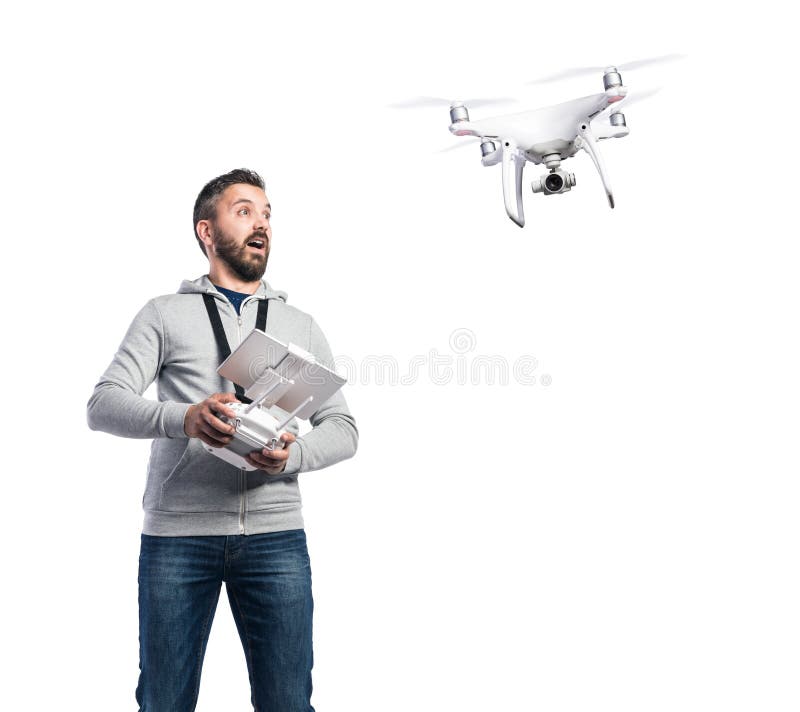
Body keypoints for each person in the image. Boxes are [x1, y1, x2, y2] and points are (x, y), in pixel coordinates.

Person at [86, 168, 358, 711]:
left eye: (266, 213)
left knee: (288, 704)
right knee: (163, 702)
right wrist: (183, 418)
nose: (261, 223)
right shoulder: (164, 314)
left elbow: (343, 429)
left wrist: (291, 457)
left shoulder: (297, 325)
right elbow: (103, 404)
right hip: (177, 540)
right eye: (243, 211)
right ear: (206, 231)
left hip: (276, 539)